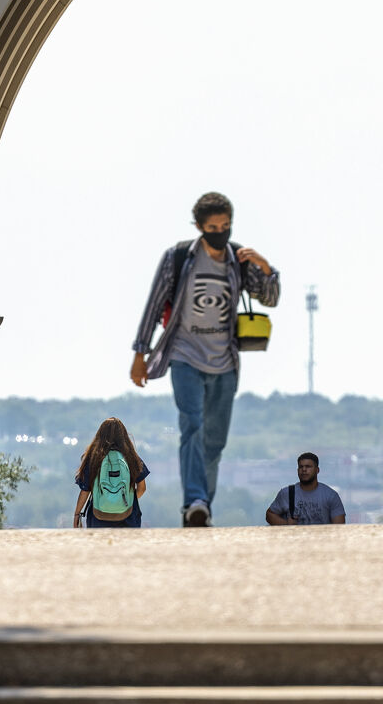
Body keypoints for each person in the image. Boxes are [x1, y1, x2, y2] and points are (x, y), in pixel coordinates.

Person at [129, 191, 281, 527]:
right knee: (192, 426)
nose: (220, 232)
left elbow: (270, 299)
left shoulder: (237, 259)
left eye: (226, 225)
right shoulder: (179, 257)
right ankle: (194, 501)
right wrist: (140, 353)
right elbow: (154, 303)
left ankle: (201, 508)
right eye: (213, 226)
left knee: (215, 439)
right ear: (199, 226)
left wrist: (266, 268)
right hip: (184, 356)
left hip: (224, 363)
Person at [73, 417, 150, 528]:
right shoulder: (131, 458)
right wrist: (123, 501)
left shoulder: (94, 458)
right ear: (123, 436)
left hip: (98, 517)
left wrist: (77, 514)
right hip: (128, 518)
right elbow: (142, 488)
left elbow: (85, 490)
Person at [265, 452, 346, 525]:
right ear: (297, 470)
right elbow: (270, 515)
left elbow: (339, 527)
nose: (304, 470)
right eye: (301, 467)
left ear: (317, 470)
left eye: (308, 466)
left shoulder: (330, 495)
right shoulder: (287, 493)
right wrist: (286, 525)